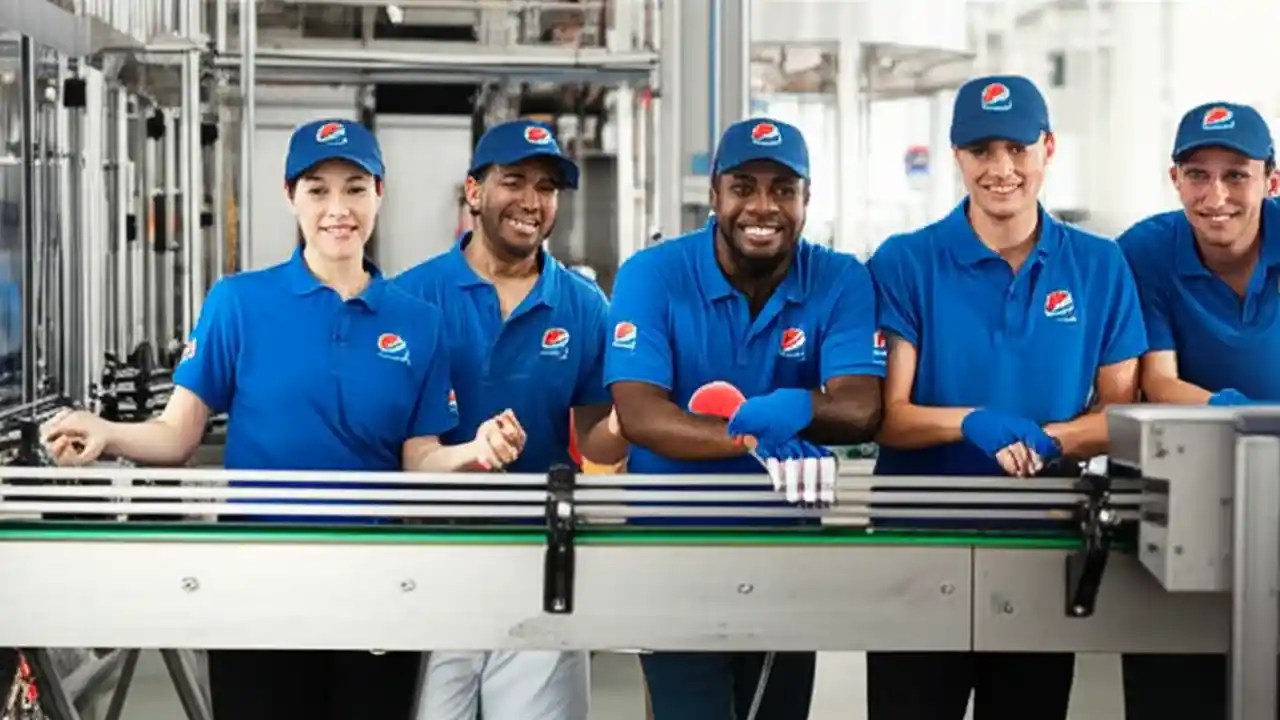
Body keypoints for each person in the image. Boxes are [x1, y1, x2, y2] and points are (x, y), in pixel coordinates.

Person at [39, 118, 520, 719]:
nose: (337, 208)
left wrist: (474, 451)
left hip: (376, 583)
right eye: (317, 189)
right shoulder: (239, 303)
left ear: (380, 195)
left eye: (355, 188)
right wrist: (106, 432)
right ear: (289, 196)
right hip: (257, 576)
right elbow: (177, 433)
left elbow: (417, 457)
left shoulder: (418, 322)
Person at [865, 74, 1148, 720]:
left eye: (1017, 148)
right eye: (981, 150)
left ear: (1048, 147)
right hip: (918, 548)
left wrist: (1055, 439)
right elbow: (892, 418)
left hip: (1040, 547)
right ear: (957, 156)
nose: (1001, 169)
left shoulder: (1099, 266)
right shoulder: (908, 262)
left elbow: (1118, 410)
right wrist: (971, 422)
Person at [605, 116, 885, 720]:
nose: (763, 207)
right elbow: (640, 412)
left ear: (807, 199)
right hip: (671, 557)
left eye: (784, 190)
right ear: (715, 194)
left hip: (787, 558)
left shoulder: (838, 279)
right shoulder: (653, 275)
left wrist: (800, 407)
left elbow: (861, 408)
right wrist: (754, 438)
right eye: (744, 187)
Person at [396, 119, 628, 720]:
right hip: (433, 559)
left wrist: (634, 420)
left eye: (547, 187)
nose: (532, 201)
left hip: (539, 558)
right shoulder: (411, 298)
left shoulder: (583, 305)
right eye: (515, 181)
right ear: (474, 192)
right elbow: (386, 437)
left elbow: (595, 436)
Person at [1116, 101, 1280, 720]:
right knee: (1176, 686)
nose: (1216, 196)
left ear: (1272, 179)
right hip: (1181, 503)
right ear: (1174, 178)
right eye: (1197, 174)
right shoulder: (1147, 252)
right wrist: (1252, 415)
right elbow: (1158, 381)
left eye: (1237, 174)